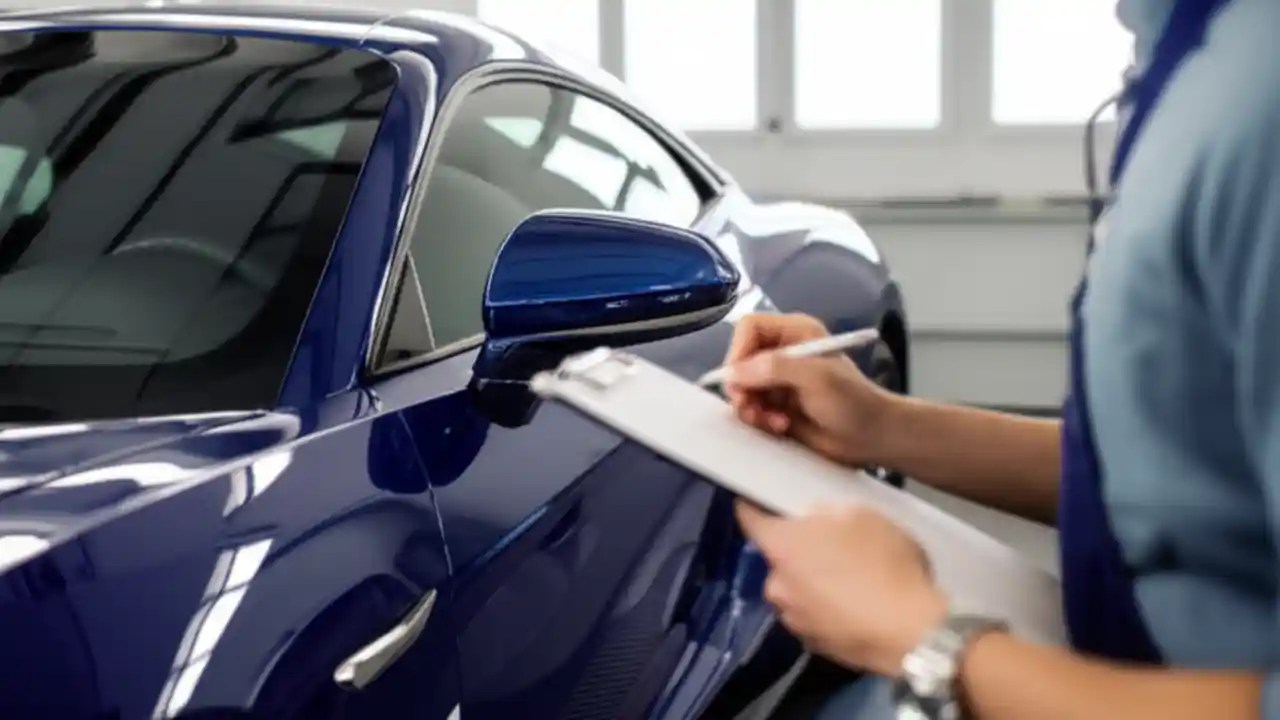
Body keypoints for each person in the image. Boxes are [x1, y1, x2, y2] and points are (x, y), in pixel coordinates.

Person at [720, 0, 1280, 717]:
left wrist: (923, 639)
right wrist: (880, 424)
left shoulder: (1257, 97)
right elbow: (1177, 472)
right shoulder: (1195, 58)